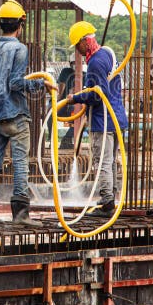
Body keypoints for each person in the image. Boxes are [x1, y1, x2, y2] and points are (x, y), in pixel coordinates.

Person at [0, 0, 56, 226]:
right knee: (20, 162)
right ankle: (20, 213)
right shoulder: (20, 49)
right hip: (15, 116)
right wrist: (41, 83)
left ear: (0, 24)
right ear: (21, 25)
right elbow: (15, 83)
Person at [66, 21, 128, 217]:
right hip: (117, 117)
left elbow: (96, 95)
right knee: (110, 162)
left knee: (102, 162)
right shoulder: (107, 53)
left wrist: (74, 98)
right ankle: (111, 197)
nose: (77, 50)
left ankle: (107, 203)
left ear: (85, 42)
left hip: (103, 120)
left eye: (77, 45)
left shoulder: (95, 63)